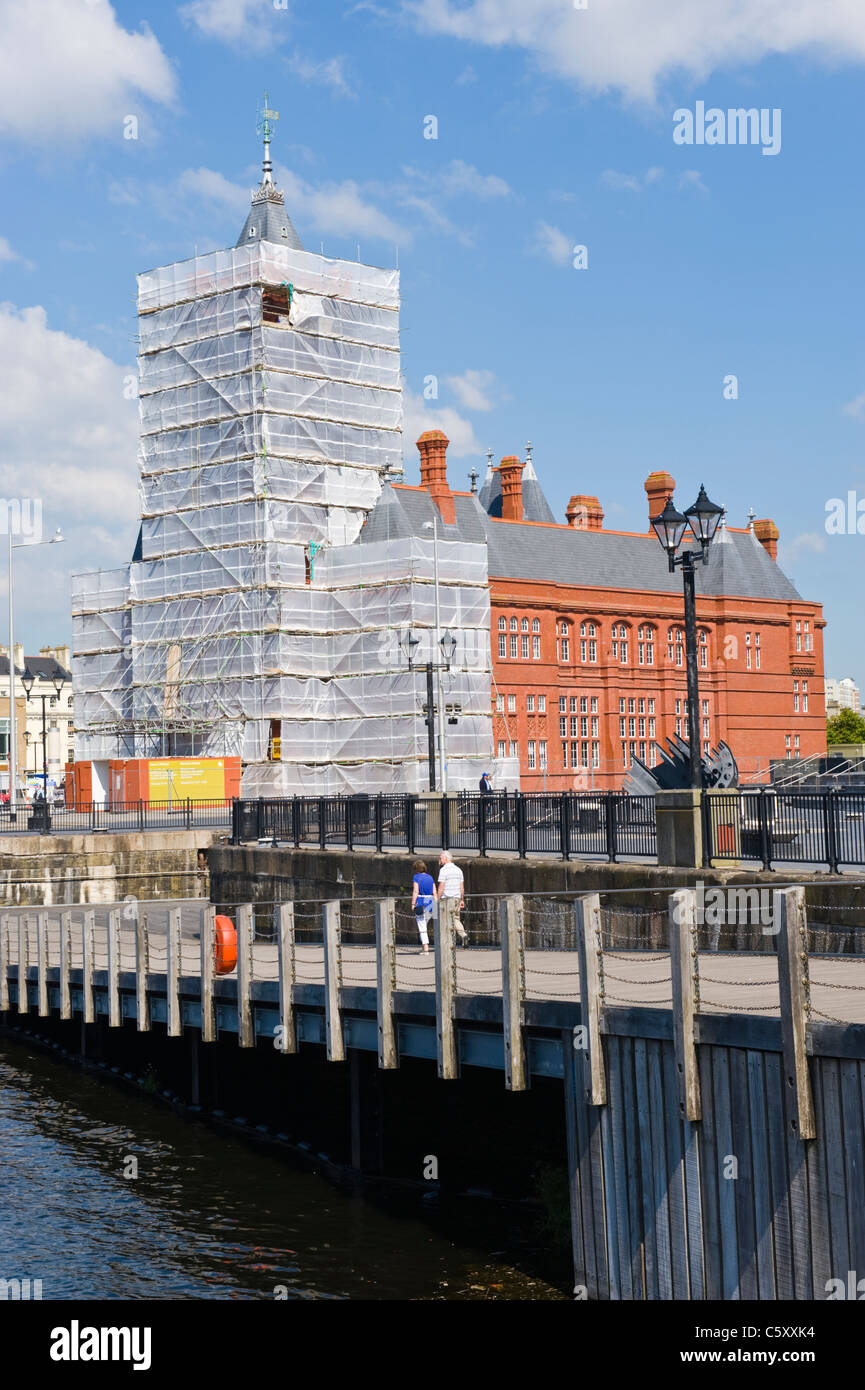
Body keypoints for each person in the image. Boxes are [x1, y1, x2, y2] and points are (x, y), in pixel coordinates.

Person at [436, 850, 468, 946]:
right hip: (457, 897)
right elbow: (461, 887)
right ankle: (463, 935)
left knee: (446, 919)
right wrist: (462, 899)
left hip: (446, 899)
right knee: (456, 918)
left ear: (446, 858)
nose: (440, 860)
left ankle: (448, 941)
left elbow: (441, 886)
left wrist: (437, 899)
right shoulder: (458, 870)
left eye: (441, 858)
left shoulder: (443, 870)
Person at [410, 859, 436, 954]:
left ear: (416, 869)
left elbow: (416, 891)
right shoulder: (430, 877)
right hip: (431, 901)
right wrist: (436, 902)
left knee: (421, 925)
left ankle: (425, 948)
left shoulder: (416, 877)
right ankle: (426, 946)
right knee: (430, 924)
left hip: (421, 901)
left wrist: (413, 903)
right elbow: (434, 891)